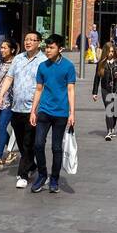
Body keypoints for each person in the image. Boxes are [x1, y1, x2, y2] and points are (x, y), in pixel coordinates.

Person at [28, 34, 76, 194]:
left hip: (61, 113)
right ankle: (42, 175)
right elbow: (39, 89)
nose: (47, 50)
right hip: (44, 111)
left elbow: (71, 90)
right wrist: (33, 110)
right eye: (46, 47)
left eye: (51, 47)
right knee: (38, 144)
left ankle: (54, 178)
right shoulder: (42, 66)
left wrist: (72, 113)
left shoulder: (68, 67)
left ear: (60, 48)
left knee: (56, 147)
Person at [0, 31, 45, 188]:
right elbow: (9, 78)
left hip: (33, 109)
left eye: (32, 40)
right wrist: (1, 95)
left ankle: (22, 175)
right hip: (16, 107)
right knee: (20, 140)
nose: (28, 42)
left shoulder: (43, 61)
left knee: (27, 142)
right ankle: (31, 165)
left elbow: (44, 85)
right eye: (26, 39)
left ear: (39, 42)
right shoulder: (18, 59)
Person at [0, 39, 19, 170]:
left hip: (10, 101)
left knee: (1, 126)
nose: (1, 50)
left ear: (12, 50)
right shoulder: (0, 63)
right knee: (0, 128)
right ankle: (11, 150)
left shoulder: (16, 64)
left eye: (5, 48)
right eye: (1, 48)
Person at [92, 42, 117, 141]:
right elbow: (97, 78)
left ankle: (112, 127)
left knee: (114, 111)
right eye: (109, 51)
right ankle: (109, 131)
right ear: (105, 52)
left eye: (112, 51)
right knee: (109, 109)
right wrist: (94, 93)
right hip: (105, 89)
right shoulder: (101, 63)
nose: (111, 53)